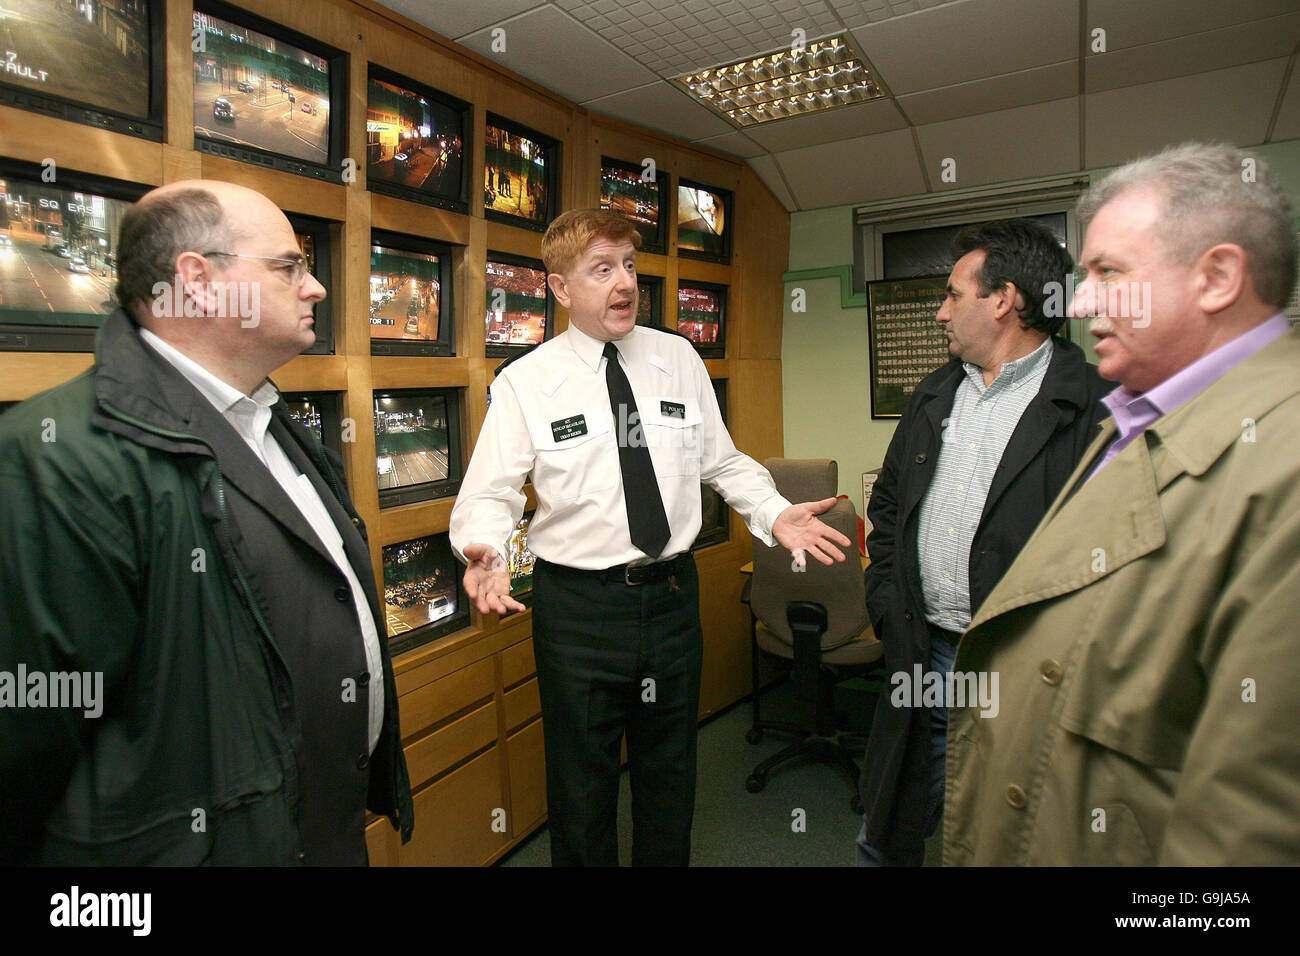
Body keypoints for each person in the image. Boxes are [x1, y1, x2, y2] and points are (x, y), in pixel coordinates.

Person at [0, 180, 413, 865]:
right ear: (197, 280)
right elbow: (26, 747)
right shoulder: (57, 460)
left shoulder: (272, 423)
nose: (314, 288)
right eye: (289, 268)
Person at [449, 208, 851, 866]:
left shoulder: (677, 358)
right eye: (601, 269)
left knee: (670, 777)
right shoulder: (526, 382)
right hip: (577, 611)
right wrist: (486, 549)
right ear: (558, 288)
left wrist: (773, 512)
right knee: (581, 790)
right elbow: (492, 491)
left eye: (629, 266)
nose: (625, 284)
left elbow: (720, 461)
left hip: (668, 600)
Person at [943, 142, 1300, 865]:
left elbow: (1249, 831)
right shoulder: (1138, 419)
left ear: (1218, 277)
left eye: (1109, 273)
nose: (1078, 302)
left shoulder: (1281, 459)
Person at [856, 218, 1113, 866]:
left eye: (952, 294)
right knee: (889, 827)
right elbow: (886, 507)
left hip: (1022, 671)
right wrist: (887, 602)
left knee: (1008, 839)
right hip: (921, 652)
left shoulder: (1095, 409)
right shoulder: (935, 393)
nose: (941, 311)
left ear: (1004, 300)